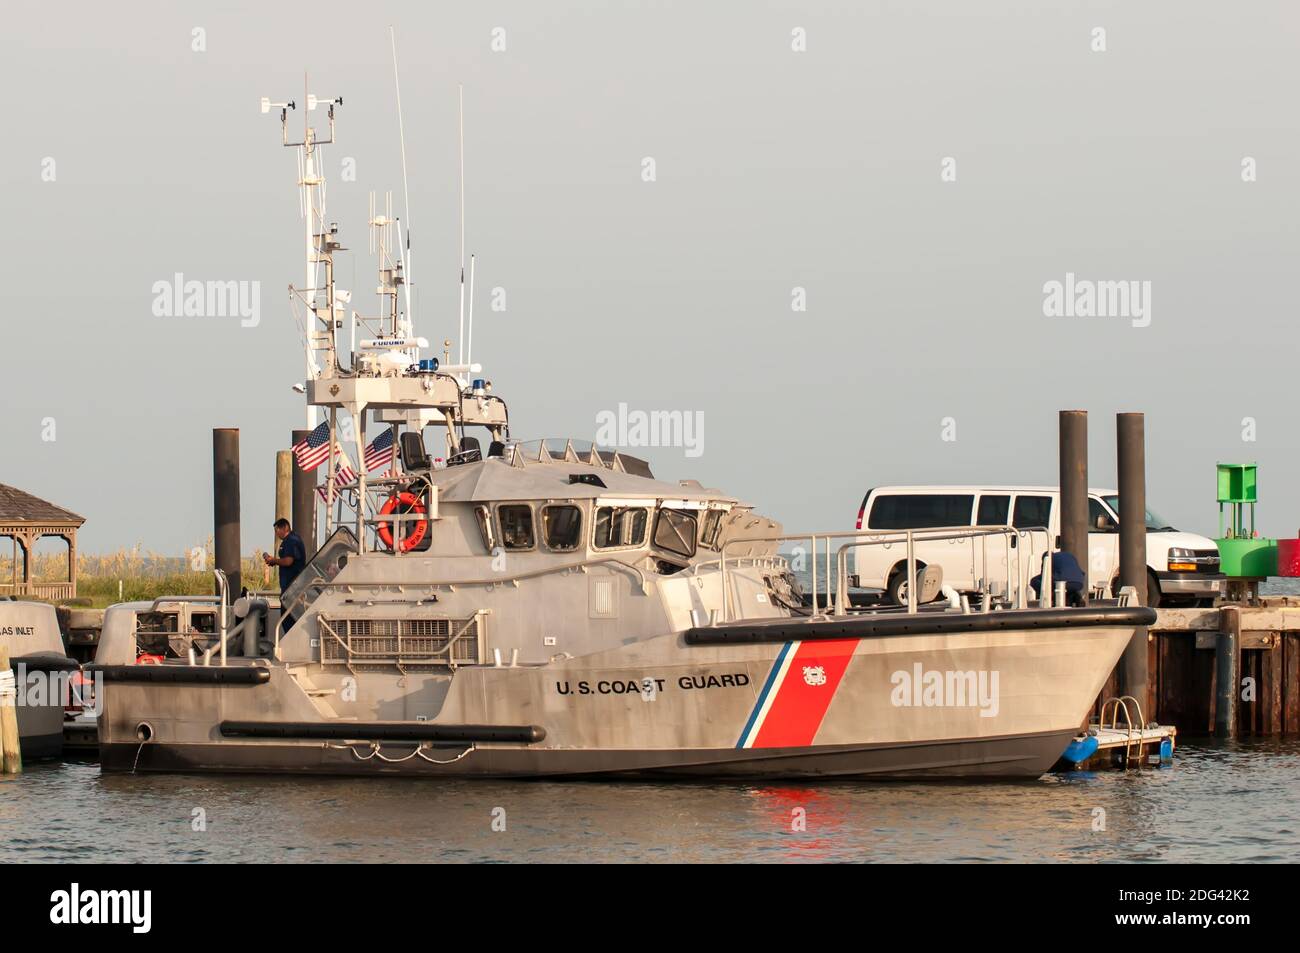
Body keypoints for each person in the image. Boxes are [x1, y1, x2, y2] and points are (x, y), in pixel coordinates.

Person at [264, 518, 307, 592]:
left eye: (277, 531)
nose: (276, 534)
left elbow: (288, 561)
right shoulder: (288, 540)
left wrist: (274, 560)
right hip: (288, 584)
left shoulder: (291, 540)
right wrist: (274, 561)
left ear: (284, 528)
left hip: (293, 585)